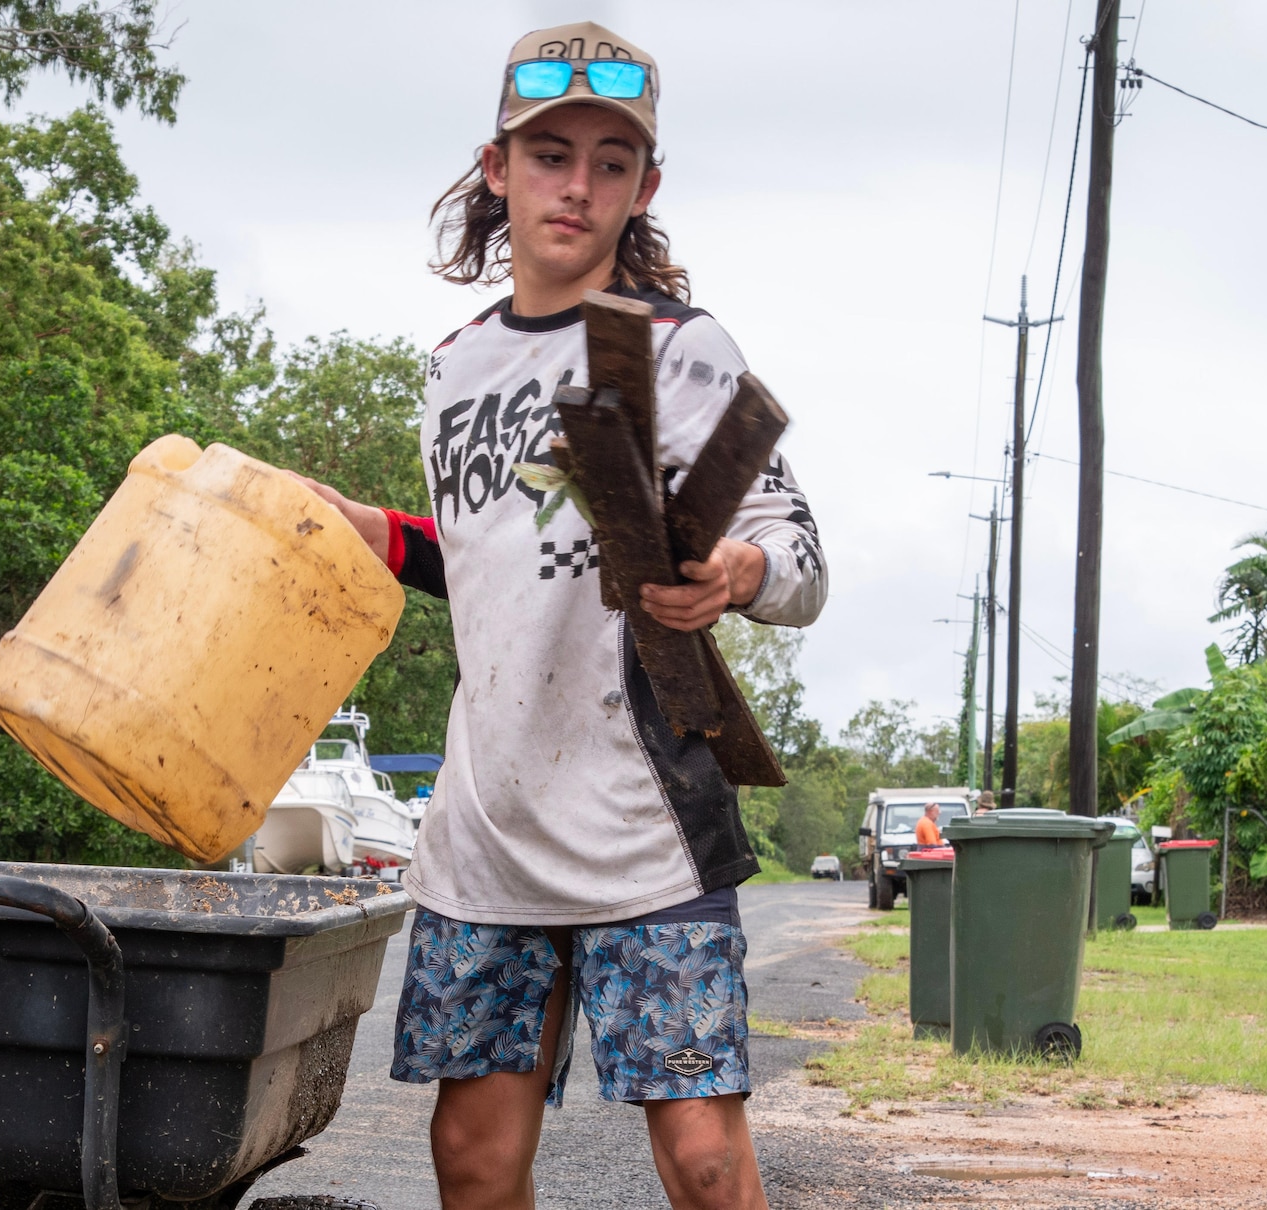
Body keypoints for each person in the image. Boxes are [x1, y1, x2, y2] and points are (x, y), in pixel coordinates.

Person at [293, 21, 826, 1210]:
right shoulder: (453, 367)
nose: (575, 185)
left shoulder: (678, 352)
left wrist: (732, 570)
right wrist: (383, 533)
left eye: (607, 160)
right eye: (549, 154)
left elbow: (799, 556)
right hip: (486, 835)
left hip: (644, 832)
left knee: (701, 1159)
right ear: (498, 167)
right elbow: (498, 558)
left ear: (643, 186)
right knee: (473, 1167)